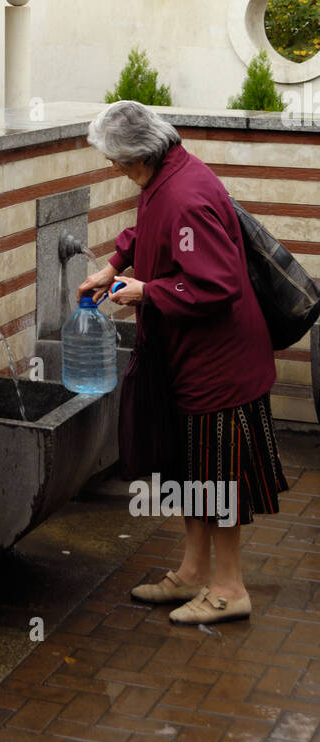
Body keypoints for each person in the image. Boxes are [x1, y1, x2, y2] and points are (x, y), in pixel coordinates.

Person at [78, 100, 287, 625]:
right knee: (192, 472)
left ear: (137, 156)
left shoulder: (187, 195)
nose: (114, 170)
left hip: (220, 369)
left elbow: (217, 287)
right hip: (188, 363)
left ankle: (229, 587)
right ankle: (194, 573)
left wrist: (147, 290)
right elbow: (150, 229)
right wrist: (114, 265)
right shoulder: (167, 178)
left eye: (115, 162)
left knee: (218, 481)